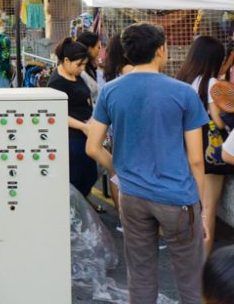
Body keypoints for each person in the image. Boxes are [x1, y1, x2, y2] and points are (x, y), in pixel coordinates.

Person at [85, 23, 208, 304]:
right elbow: (196, 159)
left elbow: (93, 147)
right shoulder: (183, 92)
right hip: (178, 198)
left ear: (127, 53)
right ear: (161, 50)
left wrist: (120, 170)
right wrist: (200, 209)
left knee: (140, 277)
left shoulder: (111, 91)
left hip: (132, 197)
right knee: (190, 280)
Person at [174, 35, 231, 255]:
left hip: (185, 146)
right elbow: (217, 120)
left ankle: (187, 255)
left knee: (190, 206)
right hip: (209, 151)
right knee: (207, 209)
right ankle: (202, 264)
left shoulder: (182, 80)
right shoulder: (212, 84)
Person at [46, 38, 98, 197]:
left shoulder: (77, 76)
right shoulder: (56, 84)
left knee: (89, 175)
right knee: (76, 178)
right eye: (79, 65)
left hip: (86, 134)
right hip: (72, 138)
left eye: (84, 65)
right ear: (66, 61)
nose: (82, 69)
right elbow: (57, 114)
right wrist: (83, 126)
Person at [76, 31, 102, 101]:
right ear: (90, 48)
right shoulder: (78, 71)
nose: (99, 50)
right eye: (98, 47)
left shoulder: (91, 67)